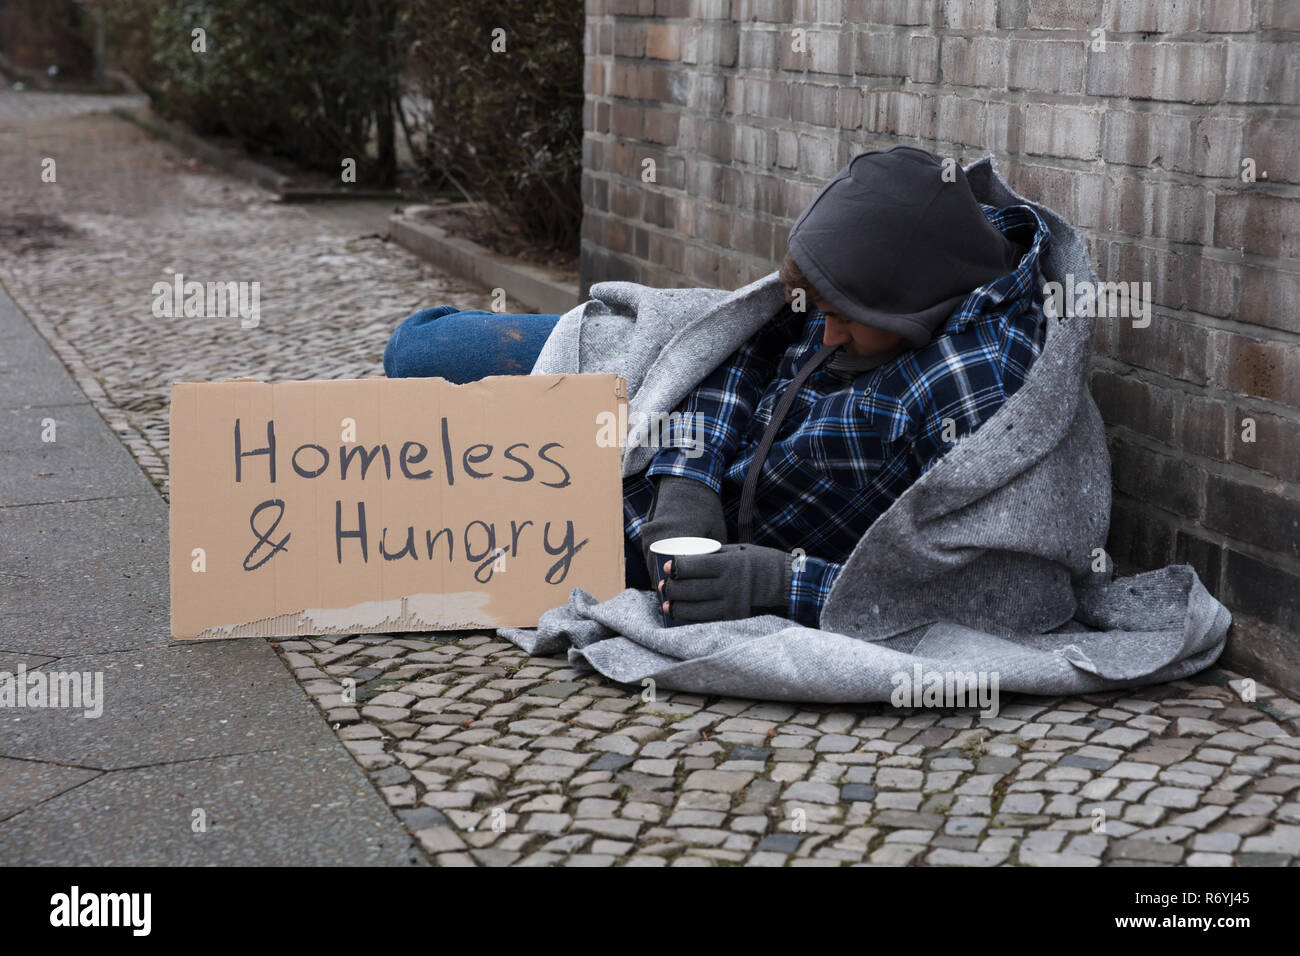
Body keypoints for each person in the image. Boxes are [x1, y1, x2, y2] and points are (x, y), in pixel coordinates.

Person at [384, 145, 1052, 626]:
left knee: (412, 535)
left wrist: (778, 581)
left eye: (844, 319)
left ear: (914, 306)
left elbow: (992, 590)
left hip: (664, 541)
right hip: (662, 388)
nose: (825, 337)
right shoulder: (881, 280)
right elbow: (746, 343)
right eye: (822, 313)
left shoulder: (978, 393)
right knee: (416, 351)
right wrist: (686, 477)